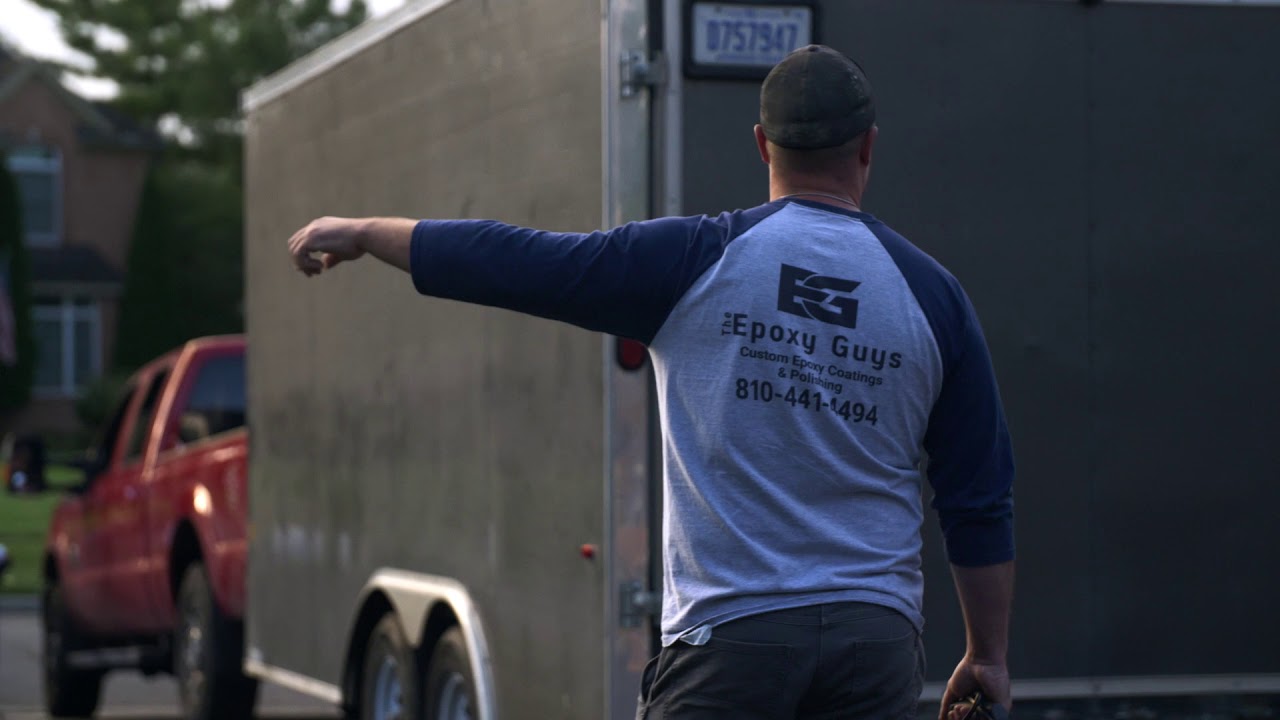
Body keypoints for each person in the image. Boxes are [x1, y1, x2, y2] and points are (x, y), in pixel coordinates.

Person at [287, 44, 1014, 720]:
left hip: (732, 639)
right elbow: (978, 497)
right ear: (868, 147)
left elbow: (519, 261)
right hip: (873, 644)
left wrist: (368, 231)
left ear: (763, 146)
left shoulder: (694, 260)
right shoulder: (932, 295)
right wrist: (987, 654)